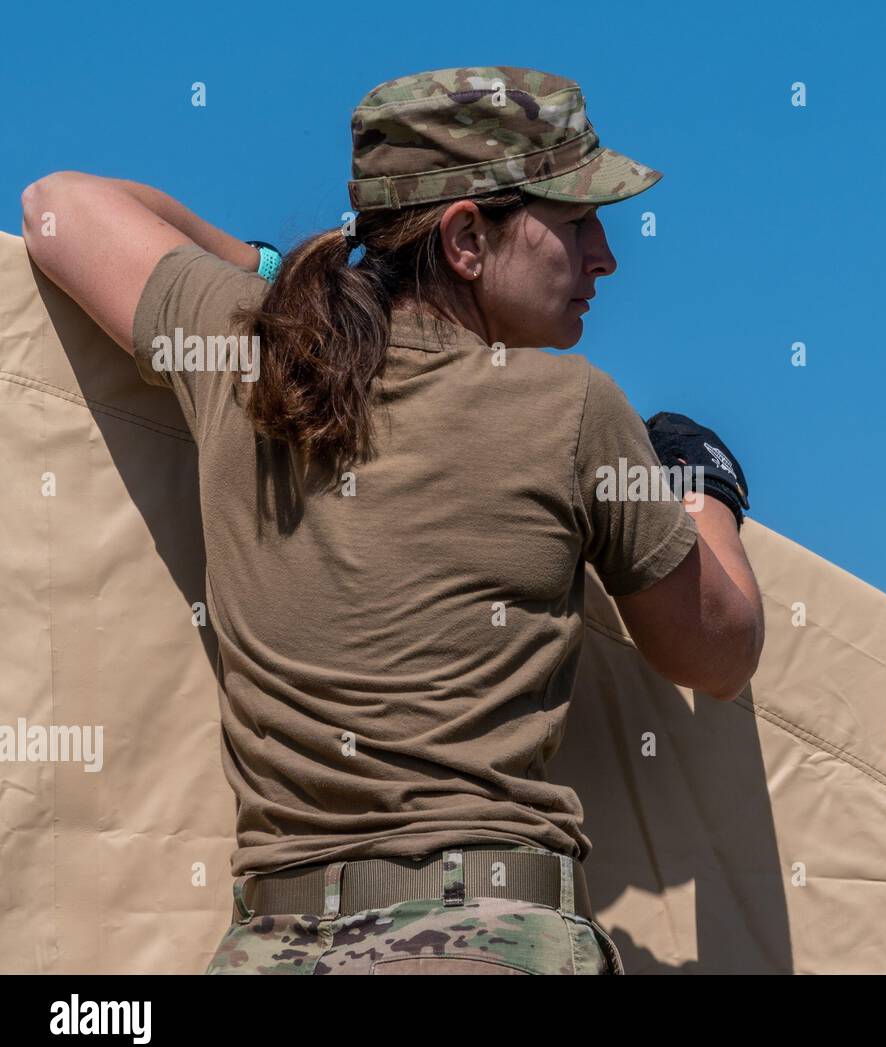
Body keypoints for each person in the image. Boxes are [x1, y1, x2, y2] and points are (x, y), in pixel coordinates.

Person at [20, 65, 763, 975]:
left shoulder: (242, 351)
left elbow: (56, 205)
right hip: (486, 943)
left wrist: (267, 277)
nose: (604, 254)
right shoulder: (569, 407)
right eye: (575, 222)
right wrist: (704, 491)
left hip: (272, 949)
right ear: (466, 239)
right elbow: (716, 653)